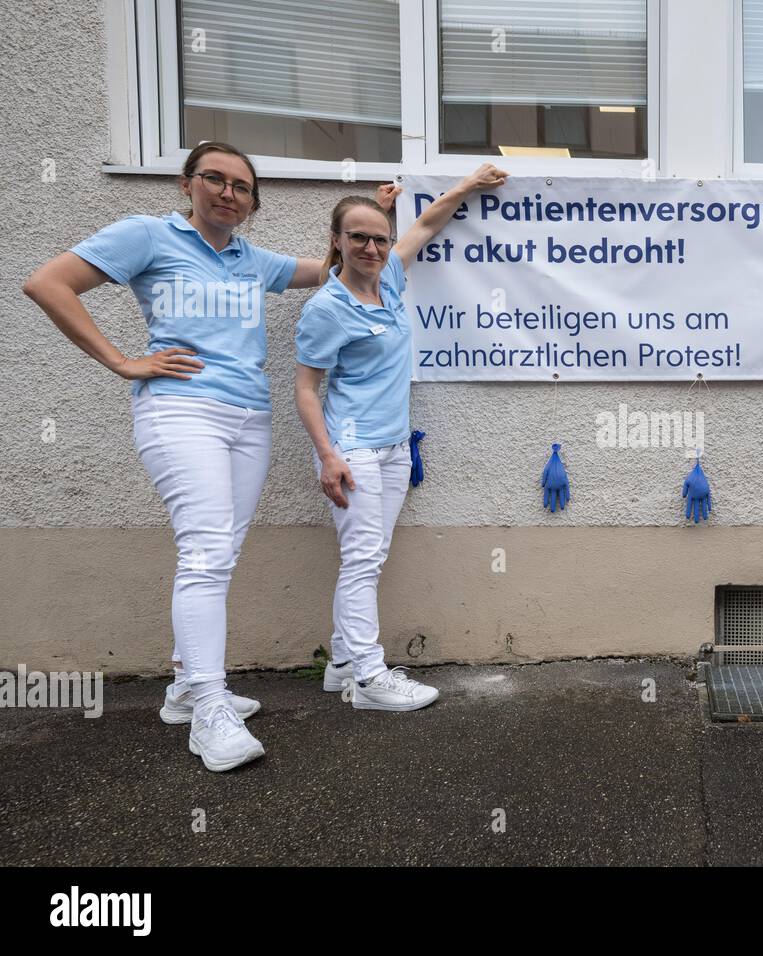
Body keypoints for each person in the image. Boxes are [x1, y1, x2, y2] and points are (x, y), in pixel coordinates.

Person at [23, 142, 389, 772]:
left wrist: (372, 217)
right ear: (187, 184)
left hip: (249, 416)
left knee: (221, 548)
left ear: (251, 202)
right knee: (207, 551)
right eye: (214, 180)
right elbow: (47, 283)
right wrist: (121, 360)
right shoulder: (147, 236)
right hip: (181, 411)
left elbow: (326, 267)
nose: (227, 193)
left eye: (241, 187)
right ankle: (210, 706)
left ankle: (183, 687)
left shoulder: (252, 259)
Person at [295, 163, 508, 711]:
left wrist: (465, 187)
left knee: (370, 554)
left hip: (392, 446)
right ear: (336, 241)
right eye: (358, 238)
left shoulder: (389, 276)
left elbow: (428, 226)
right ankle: (368, 677)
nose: (371, 247)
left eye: (378, 238)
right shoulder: (325, 309)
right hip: (353, 449)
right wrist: (328, 457)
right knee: (363, 560)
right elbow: (306, 390)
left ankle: (342, 663)